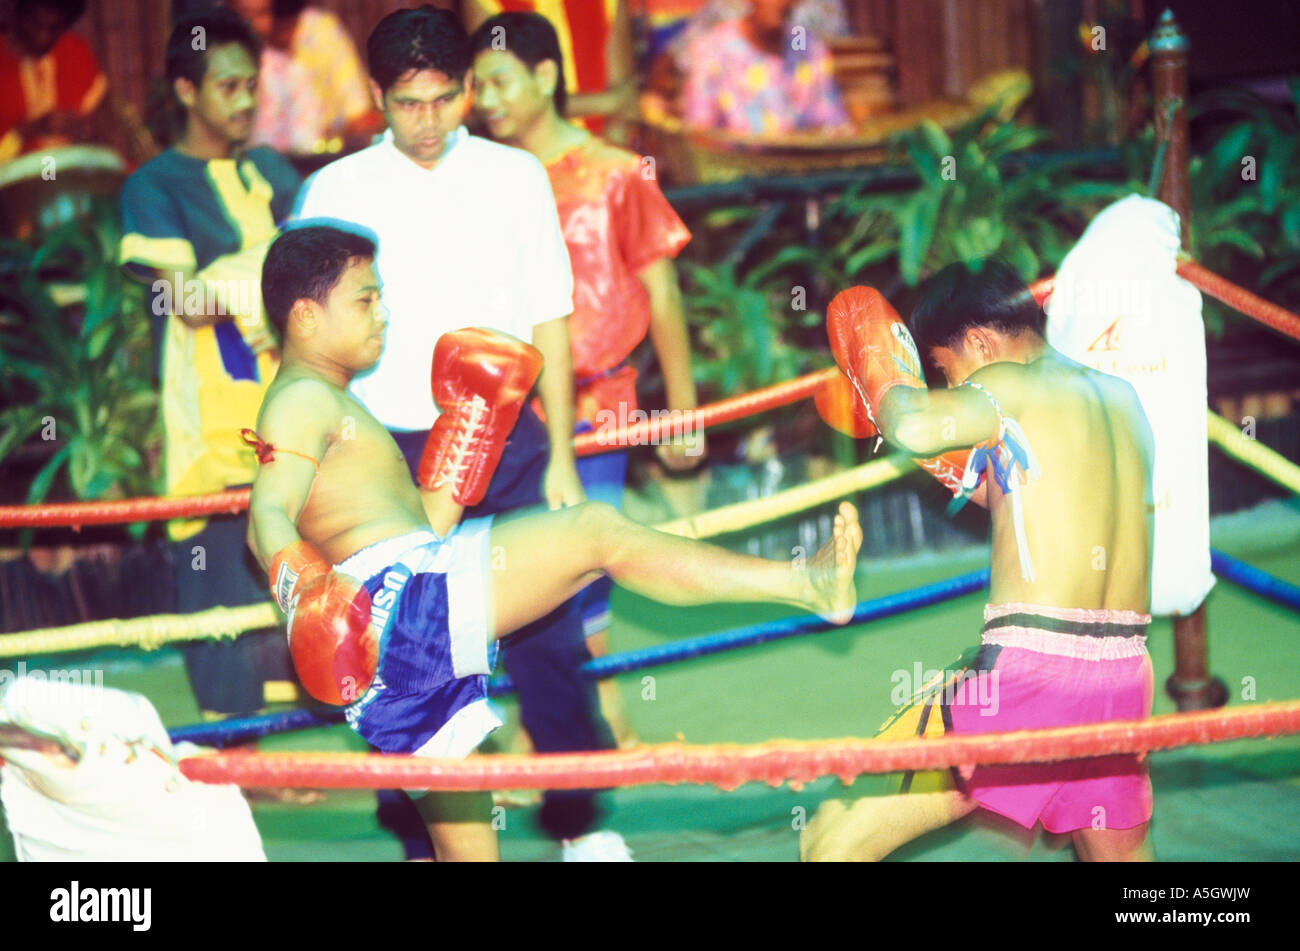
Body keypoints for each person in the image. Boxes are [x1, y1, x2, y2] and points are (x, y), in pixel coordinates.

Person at [245, 224, 862, 861]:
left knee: (469, 855)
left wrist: (470, 434)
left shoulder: (332, 401)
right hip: (398, 607)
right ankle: (799, 583)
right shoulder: (300, 401)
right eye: (364, 301)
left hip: (397, 643)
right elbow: (266, 511)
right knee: (595, 531)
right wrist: (305, 592)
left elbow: (425, 526)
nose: (383, 314)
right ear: (306, 317)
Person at [293, 4, 629, 860]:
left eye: (446, 99)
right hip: (382, 456)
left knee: (549, 636)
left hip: (508, 437)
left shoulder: (516, 175)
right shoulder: (333, 193)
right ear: (375, 94)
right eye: (409, 104)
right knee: (398, 652)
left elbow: (552, 314)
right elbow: (306, 343)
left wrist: (558, 454)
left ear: (470, 87)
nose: (430, 120)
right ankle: (421, 839)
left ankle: (580, 826)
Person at [802, 260, 1157, 862]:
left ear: (980, 342)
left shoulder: (1006, 385)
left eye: (946, 371)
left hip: (1030, 680)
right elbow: (1026, 486)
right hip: (1124, 678)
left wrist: (881, 374)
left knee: (831, 845)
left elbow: (912, 422)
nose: (951, 389)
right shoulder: (1122, 399)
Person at [471, 11, 704, 747]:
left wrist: (684, 410)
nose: (485, 100)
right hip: (509, 412)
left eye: (498, 82)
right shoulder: (486, 183)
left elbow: (661, 293)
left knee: (585, 559)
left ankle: (594, 721)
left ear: (546, 76)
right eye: (475, 86)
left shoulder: (616, 172)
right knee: (521, 561)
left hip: (602, 400)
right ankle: (566, 720)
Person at [118, 10, 304, 745]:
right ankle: (233, 751)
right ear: (186, 89)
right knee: (220, 575)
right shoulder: (155, 184)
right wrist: (259, 284)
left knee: (290, 561)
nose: (243, 100)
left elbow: (323, 266)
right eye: (227, 85)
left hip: (292, 409)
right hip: (212, 417)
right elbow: (178, 297)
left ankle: (295, 741)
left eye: (250, 86)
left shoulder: (274, 171)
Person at [227, 0, 382, 157]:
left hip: (309, 159)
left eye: (261, 13)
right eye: (243, 14)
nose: (251, 24)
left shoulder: (313, 40)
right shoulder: (229, 60)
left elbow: (359, 115)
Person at [462, 0, 637, 138]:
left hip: (599, 149)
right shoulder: (486, 3)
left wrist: (607, 168)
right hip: (525, 153)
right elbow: (498, 101)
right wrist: (606, 103)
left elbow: (625, 97)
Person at [680, 0, 850, 136]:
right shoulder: (714, 48)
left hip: (803, 170)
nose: (780, 2)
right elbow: (699, 130)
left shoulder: (805, 46)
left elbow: (831, 118)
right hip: (737, 169)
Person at [0, 0, 107, 161]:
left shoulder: (76, 52)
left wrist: (85, 130)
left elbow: (101, 134)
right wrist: (27, 131)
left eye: (54, 28)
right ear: (17, 13)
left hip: (70, 174)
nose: (42, 37)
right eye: (34, 24)